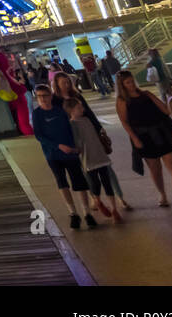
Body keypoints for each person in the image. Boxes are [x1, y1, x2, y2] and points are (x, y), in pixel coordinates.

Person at [115, 71, 172, 210]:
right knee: (155, 169)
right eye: (127, 82)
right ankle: (162, 195)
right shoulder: (122, 101)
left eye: (132, 81)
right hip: (144, 136)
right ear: (122, 85)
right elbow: (125, 122)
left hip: (162, 132)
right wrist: (134, 138)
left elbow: (165, 111)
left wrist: (167, 100)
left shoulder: (146, 94)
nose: (132, 84)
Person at [52, 71, 132, 212]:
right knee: (87, 171)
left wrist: (100, 129)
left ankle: (119, 197)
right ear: (57, 85)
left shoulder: (76, 96)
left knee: (107, 169)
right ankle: (95, 198)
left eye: (68, 81)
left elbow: (89, 113)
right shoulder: (55, 101)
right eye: (63, 82)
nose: (67, 84)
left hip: (91, 135)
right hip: (74, 139)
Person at [31, 84, 98, 229]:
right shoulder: (37, 114)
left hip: (71, 153)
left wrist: (76, 146)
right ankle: (73, 213)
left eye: (46, 96)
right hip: (53, 154)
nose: (43, 99)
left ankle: (87, 213)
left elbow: (71, 128)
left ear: (50, 96)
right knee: (62, 183)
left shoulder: (60, 111)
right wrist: (58, 146)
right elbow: (39, 135)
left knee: (79, 183)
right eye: (40, 96)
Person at [64, 98, 121, 222]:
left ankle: (114, 209)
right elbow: (77, 142)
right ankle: (97, 200)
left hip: (99, 154)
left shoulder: (87, 120)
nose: (82, 109)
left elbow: (94, 135)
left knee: (107, 181)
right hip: (87, 158)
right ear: (71, 110)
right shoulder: (72, 125)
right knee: (95, 183)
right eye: (79, 108)